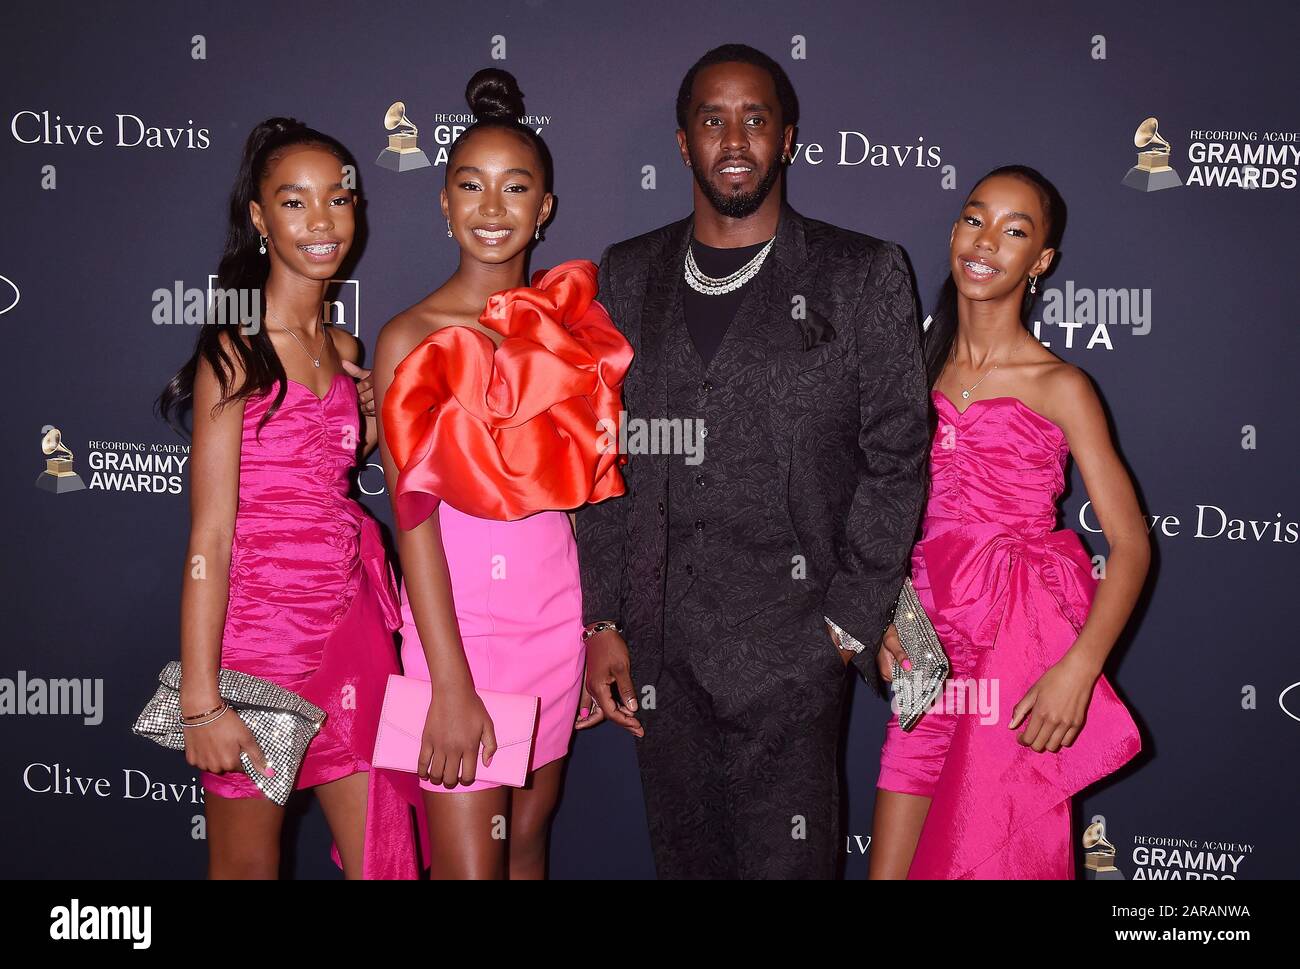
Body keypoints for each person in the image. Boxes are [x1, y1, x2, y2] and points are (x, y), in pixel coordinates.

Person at [575, 44, 930, 879]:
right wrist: (604, 618)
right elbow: (601, 450)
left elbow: (897, 451)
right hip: (662, 649)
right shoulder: (630, 272)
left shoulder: (860, 272)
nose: (734, 139)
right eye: (713, 119)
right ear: (683, 142)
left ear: (789, 137)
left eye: (755, 118)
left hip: (797, 648)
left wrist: (847, 622)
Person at [373, 68, 631, 879]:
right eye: (470, 186)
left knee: (524, 851)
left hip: (554, 618)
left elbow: (587, 497)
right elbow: (411, 521)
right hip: (459, 630)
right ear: (443, 201)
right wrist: (448, 680)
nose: (492, 208)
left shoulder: (576, 328)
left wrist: (590, 633)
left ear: (544, 208)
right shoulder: (406, 336)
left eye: (515, 187)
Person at [158, 118, 421, 879]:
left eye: (338, 200)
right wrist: (202, 699)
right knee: (247, 867)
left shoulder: (343, 347)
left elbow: (320, 471)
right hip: (261, 640)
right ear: (259, 218)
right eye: (295, 201)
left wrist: (364, 420)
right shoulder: (236, 349)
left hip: (353, 623)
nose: (322, 222)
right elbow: (210, 536)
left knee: (385, 857)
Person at [868, 165, 1146, 880]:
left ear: (1041, 261)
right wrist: (888, 616)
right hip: (925, 666)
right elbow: (878, 518)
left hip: (1015, 662)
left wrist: (1078, 671)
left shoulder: (1061, 386)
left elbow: (1131, 545)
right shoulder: (909, 374)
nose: (986, 241)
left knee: (989, 860)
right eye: (975, 218)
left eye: (1015, 230)